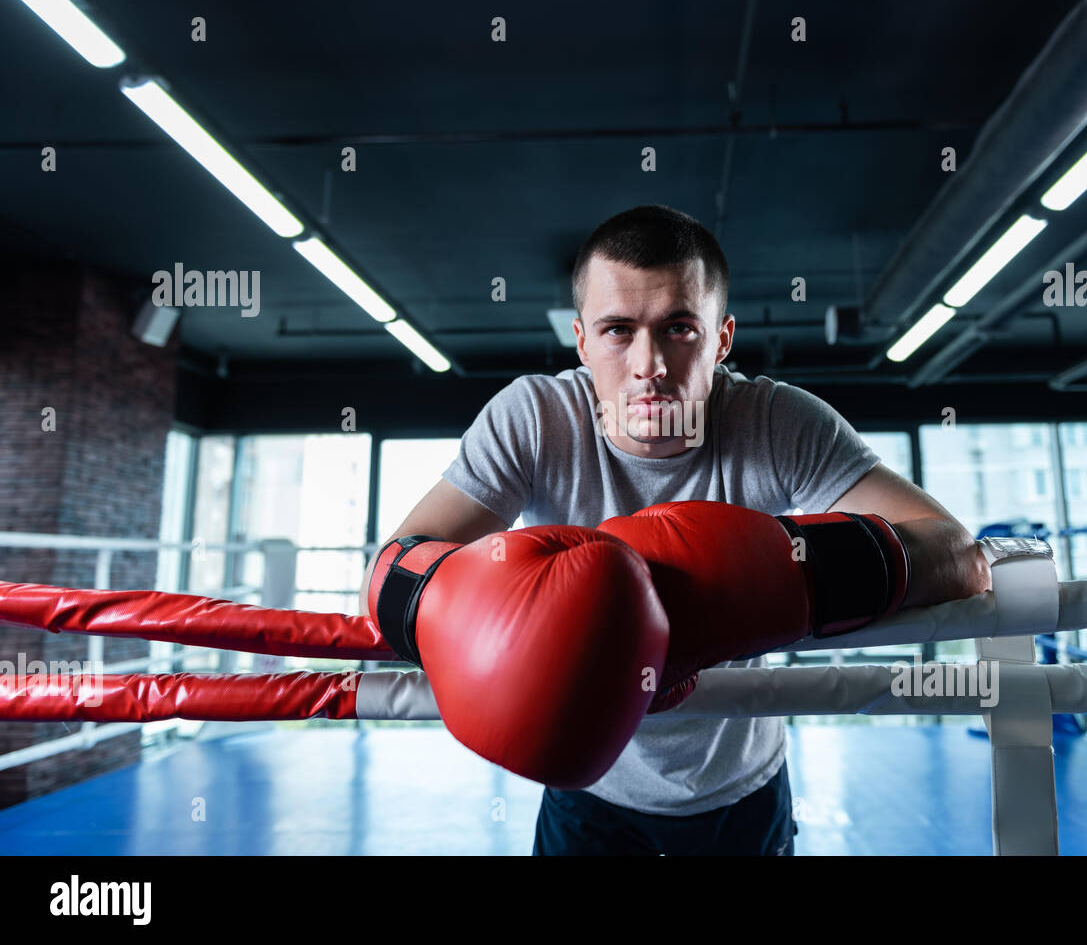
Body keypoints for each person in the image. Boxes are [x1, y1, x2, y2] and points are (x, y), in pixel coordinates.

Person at [359, 204, 989, 855]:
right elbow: (391, 576)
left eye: (679, 328)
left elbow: (957, 552)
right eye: (617, 330)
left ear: (722, 338)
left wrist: (775, 581)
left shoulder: (778, 422)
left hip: (741, 788)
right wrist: (510, 615)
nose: (649, 363)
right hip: (588, 789)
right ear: (580, 340)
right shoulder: (534, 418)